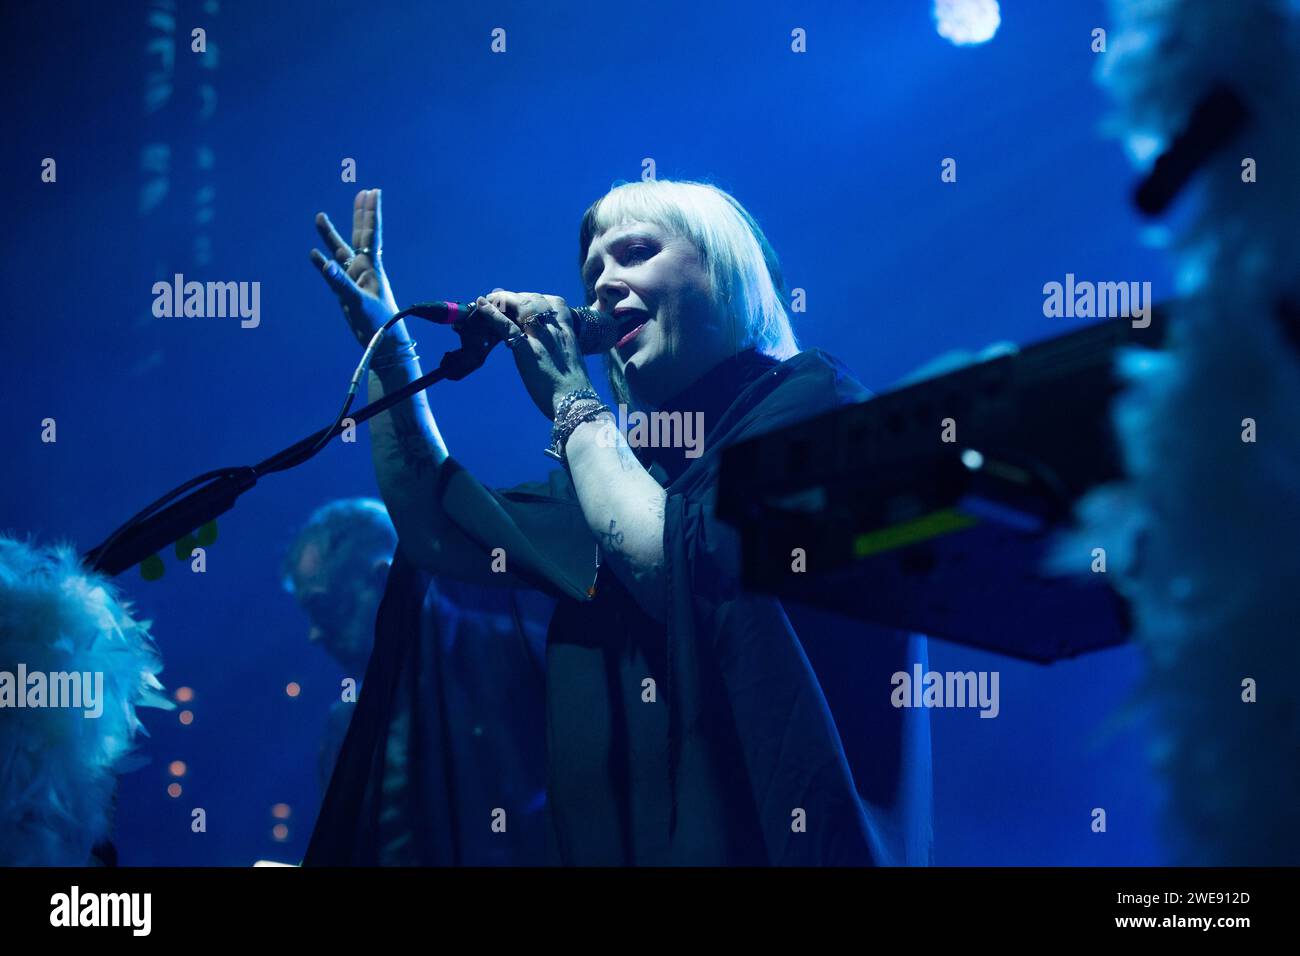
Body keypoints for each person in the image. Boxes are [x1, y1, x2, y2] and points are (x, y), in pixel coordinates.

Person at [304, 179, 932, 866]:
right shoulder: (624, 469)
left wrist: (573, 401)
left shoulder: (815, 403)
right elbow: (438, 524)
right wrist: (389, 350)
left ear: (727, 268)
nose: (603, 286)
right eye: (592, 272)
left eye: (635, 253)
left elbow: (682, 569)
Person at [282, 498, 549, 865]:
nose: (314, 634)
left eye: (324, 607)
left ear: (383, 581)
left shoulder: (518, 656)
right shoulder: (342, 728)